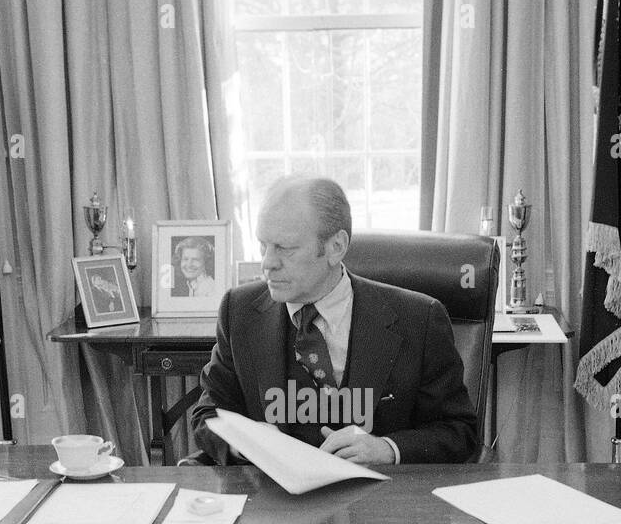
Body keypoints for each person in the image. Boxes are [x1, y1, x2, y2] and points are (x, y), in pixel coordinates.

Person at [190, 176, 478, 465]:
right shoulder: (239, 312)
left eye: (285, 248)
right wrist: (248, 442)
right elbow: (209, 414)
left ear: (336, 247)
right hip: (274, 498)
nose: (267, 262)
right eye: (263, 245)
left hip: (378, 498)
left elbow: (459, 432)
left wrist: (387, 448)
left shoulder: (419, 319)